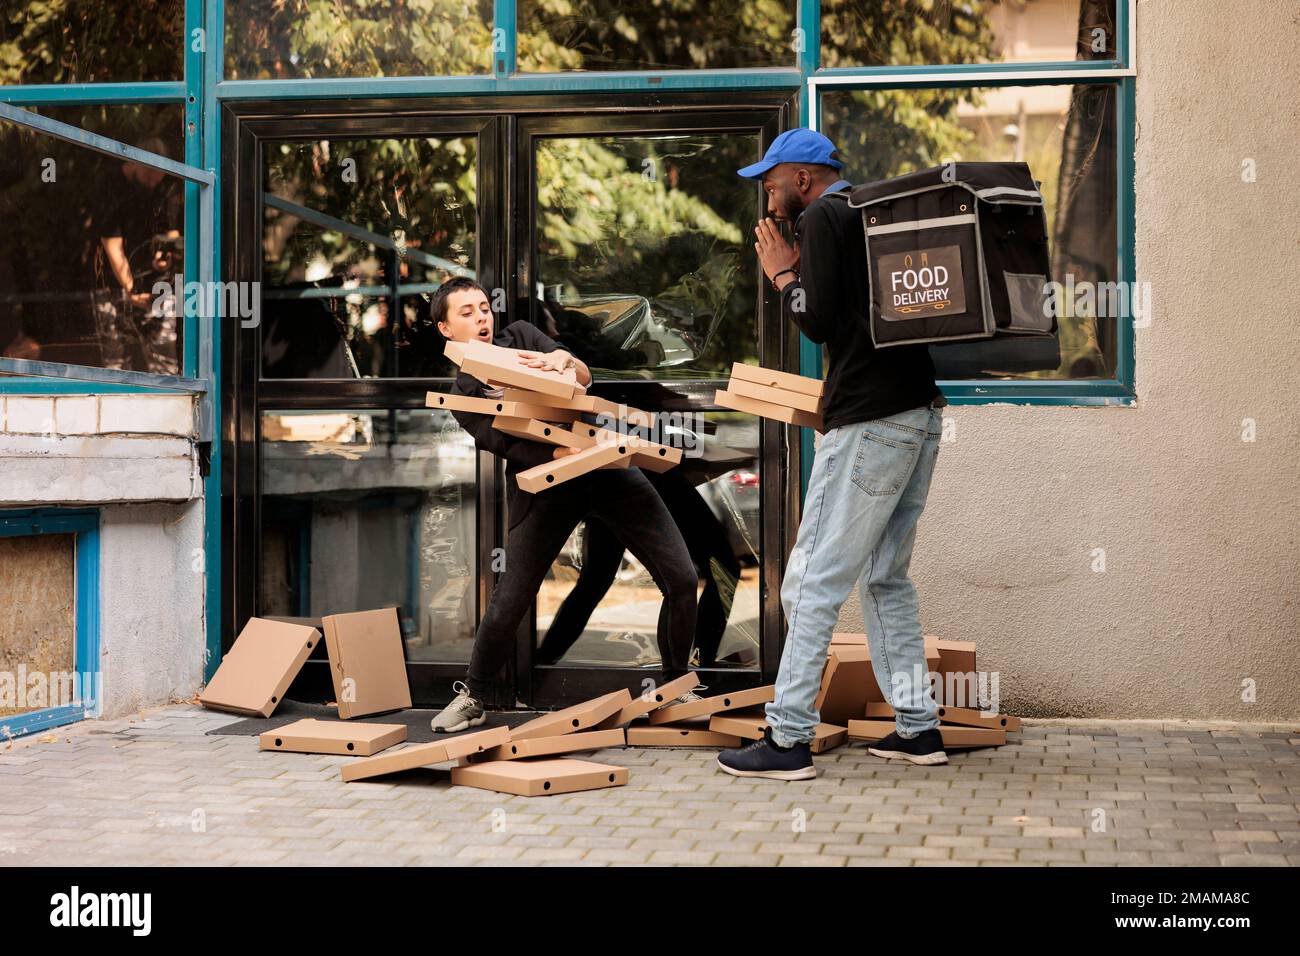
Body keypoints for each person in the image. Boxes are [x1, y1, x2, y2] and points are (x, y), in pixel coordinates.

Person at [716, 129, 948, 781]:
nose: (766, 187)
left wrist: (782, 272)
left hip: (870, 422)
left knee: (810, 580)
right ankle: (918, 729)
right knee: (884, 577)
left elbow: (816, 320)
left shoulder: (822, 215)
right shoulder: (868, 216)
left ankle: (787, 739)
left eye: (772, 176)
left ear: (805, 176)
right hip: (919, 415)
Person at [428, 276, 701, 732]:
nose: (481, 318)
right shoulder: (464, 395)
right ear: (446, 329)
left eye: (482, 307)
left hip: (606, 467)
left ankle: (676, 685)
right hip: (548, 484)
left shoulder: (520, 336)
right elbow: (511, 446)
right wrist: (564, 449)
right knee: (511, 599)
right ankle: (473, 695)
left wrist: (562, 360)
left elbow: (584, 378)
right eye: (467, 312)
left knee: (681, 577)